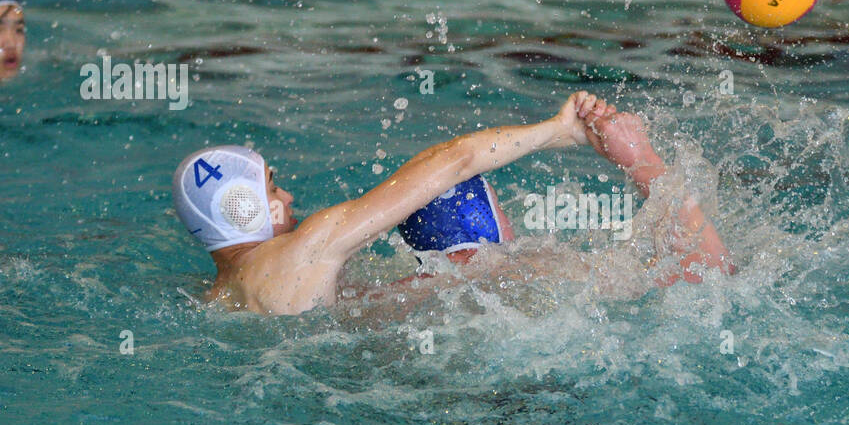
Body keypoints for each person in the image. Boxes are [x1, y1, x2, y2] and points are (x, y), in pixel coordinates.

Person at [171, 91, 734, 315]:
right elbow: (452, 162)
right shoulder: (304, 248)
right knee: (505, 262)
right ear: (243, 209)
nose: (287, 195)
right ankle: (657, 178)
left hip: (410, 386)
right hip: (480, 362)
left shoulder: (218, 296)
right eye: (271, 187)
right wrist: (557, 130)